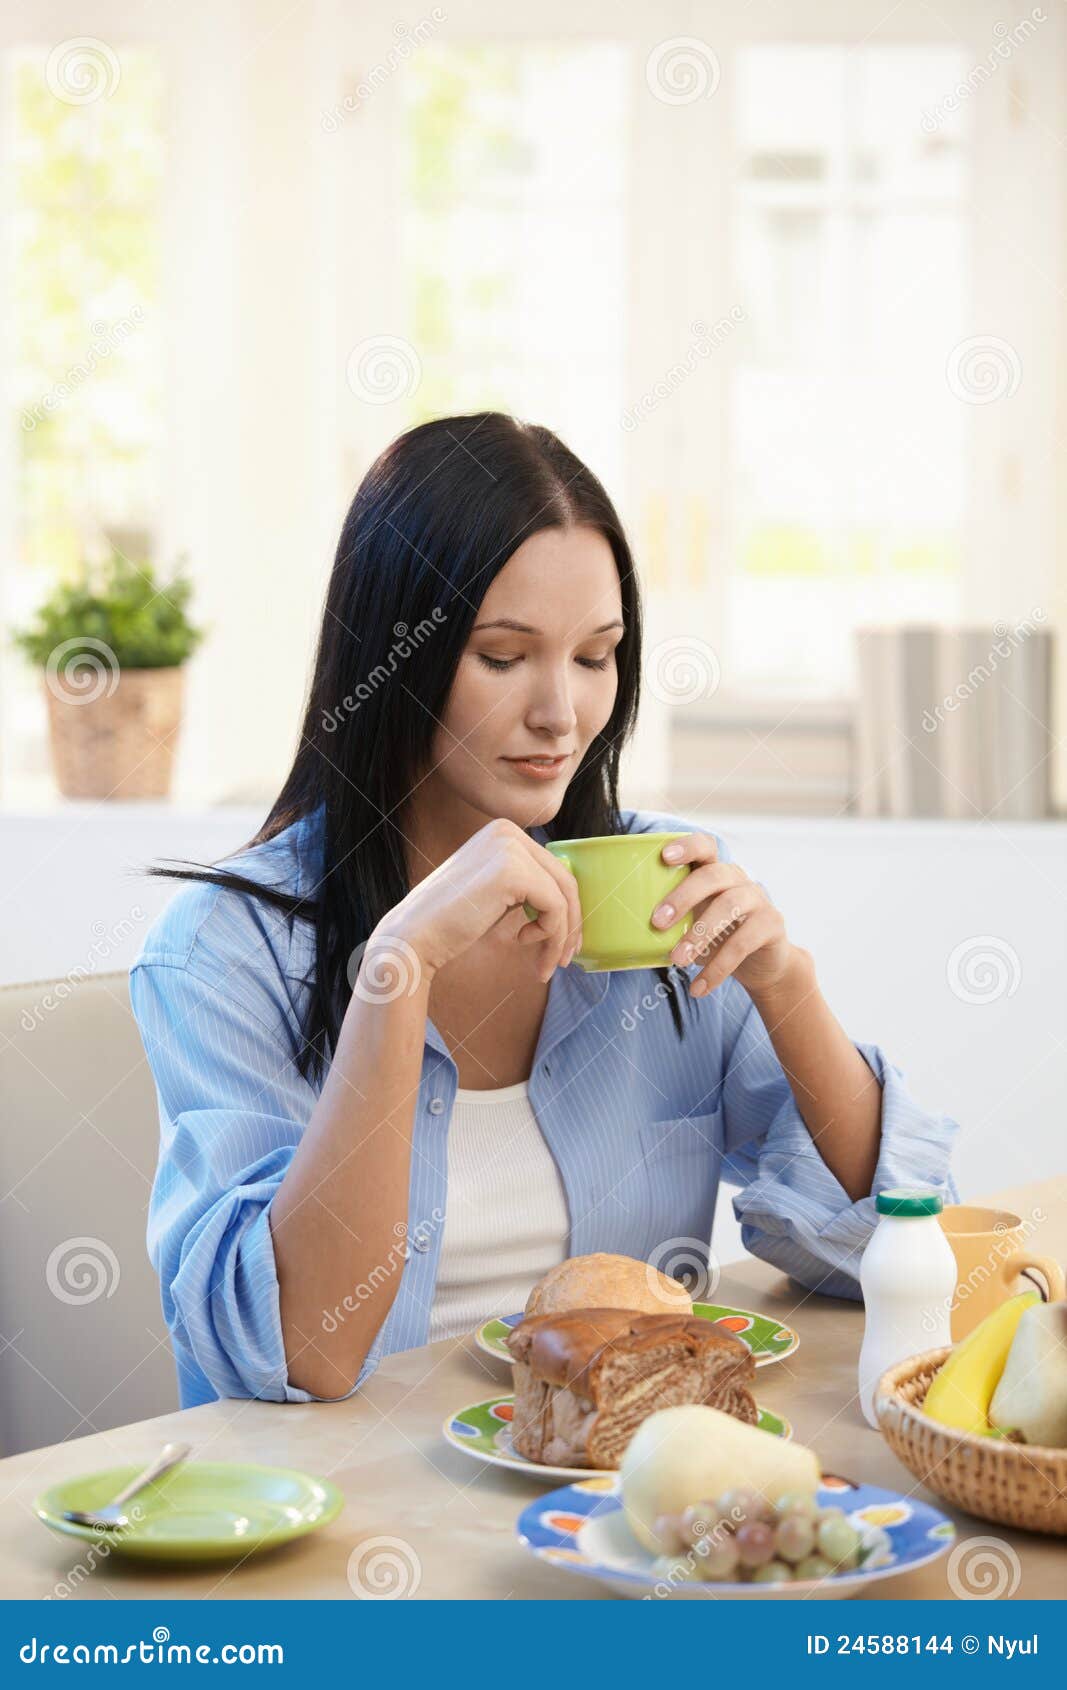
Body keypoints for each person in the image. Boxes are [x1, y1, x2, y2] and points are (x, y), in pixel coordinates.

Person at [130, 411, 958, 1409]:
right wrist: (398, 967)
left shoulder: (656, 893)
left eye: (595, 655)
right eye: (502, 655)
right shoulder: (222, 954)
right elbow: (301, 1350)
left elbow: (881, 1250)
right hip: (334, 1530)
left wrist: (786, 988)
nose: (560, 714)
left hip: (608, 1512)